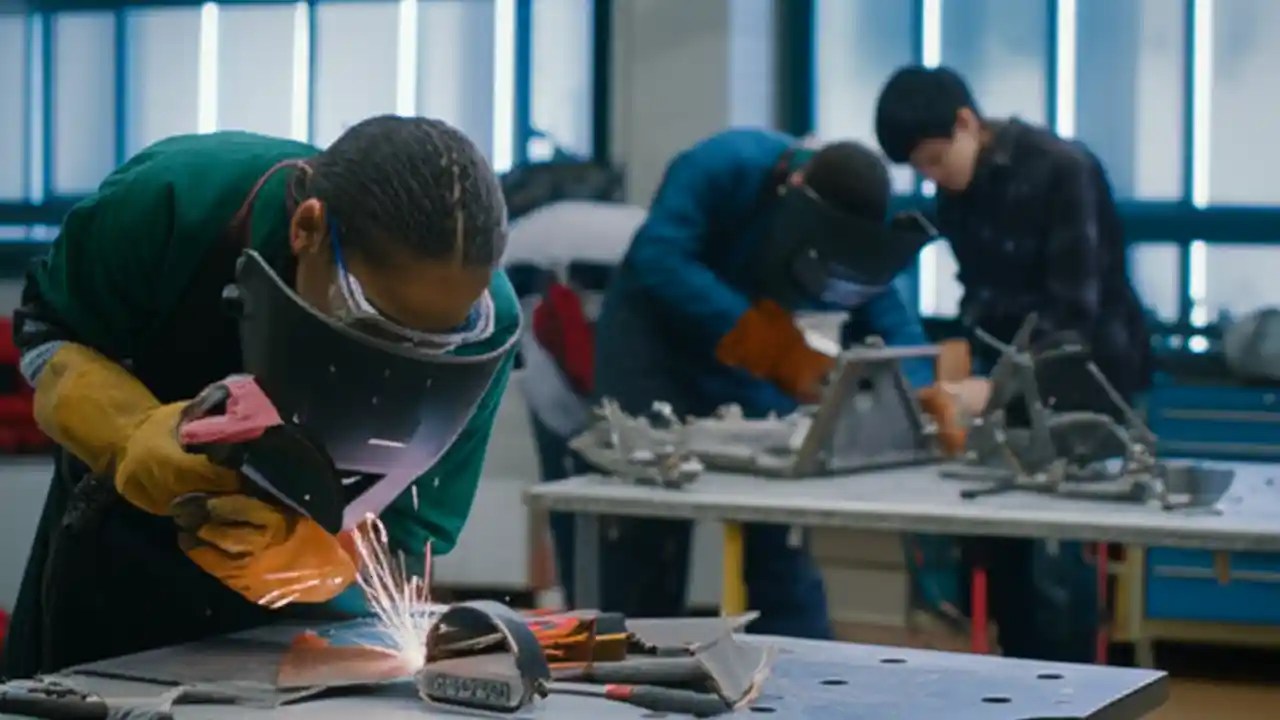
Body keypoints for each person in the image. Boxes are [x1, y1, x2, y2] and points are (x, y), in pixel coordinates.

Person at [2, 116, 520, 677]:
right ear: (307, 227)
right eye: (374, 322)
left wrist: (322, 560)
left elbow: (405, 541)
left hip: (307, 634)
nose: (400, 356)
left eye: (434, 343)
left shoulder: (485, 332)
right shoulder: (178, 200)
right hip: (117, 569)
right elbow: (45, 334)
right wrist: (130, 435)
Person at [591, 128, 982, 639]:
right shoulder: (720, 165)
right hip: (654, 348)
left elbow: (886, 314)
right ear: (793, 189)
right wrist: (772, 347)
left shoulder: (853, 221)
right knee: (647, 534)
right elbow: (659, 259)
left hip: (744, 361)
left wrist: (924, 393)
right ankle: (634, 672)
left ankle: (801, 679)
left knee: (779, 521)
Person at [874, 65, 1154, 661]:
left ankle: (1077, 696)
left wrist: (989, 387)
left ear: (967, 124)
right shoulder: (957, 197)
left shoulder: (1063, 171)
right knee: (1001, 561)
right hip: (1008, 395)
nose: (931, 178)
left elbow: (1073, 314)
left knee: (1060, 571)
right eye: (918, 169)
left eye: (933, 159)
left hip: (1089, 388)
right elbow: (980, 303)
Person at [504, 200, 647, 603]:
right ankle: (580, 601)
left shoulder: (544, 254)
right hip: (558, 387)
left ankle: (593, 600)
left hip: (572, 390)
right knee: (566, 494)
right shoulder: (542, 298)